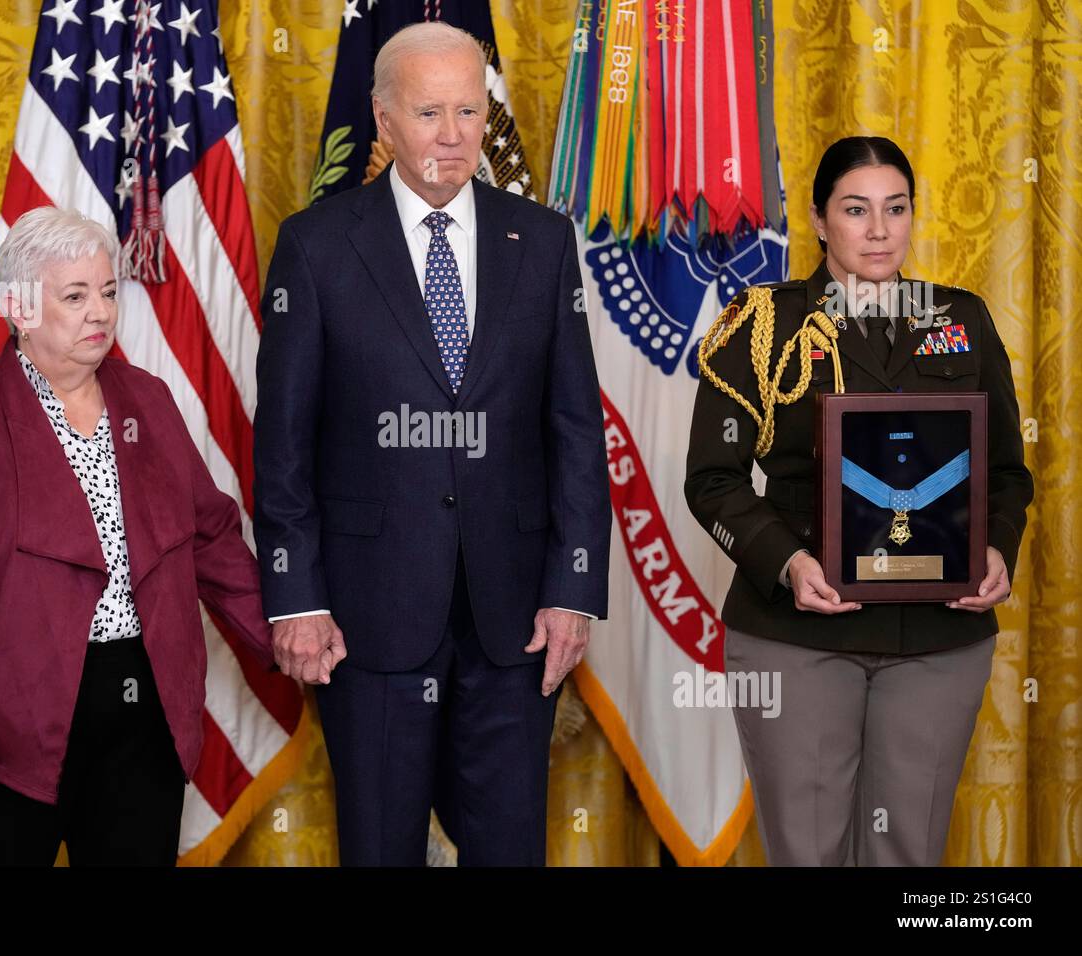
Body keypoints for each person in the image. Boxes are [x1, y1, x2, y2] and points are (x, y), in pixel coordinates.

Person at [252, 21, 611, 866]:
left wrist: (575, 588)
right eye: (427, 114)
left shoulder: (545, 240)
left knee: (511, 848)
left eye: (467, 111)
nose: (452, 137)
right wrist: (295, 598)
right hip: (366, 616)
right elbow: (284, 444)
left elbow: (574, 430)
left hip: (514, 616)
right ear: (381, 120)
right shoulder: (316, 245)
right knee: (379, 848)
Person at [683, 136, 1033, 865]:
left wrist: (996, 547)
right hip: (797, 637)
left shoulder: (960, 320)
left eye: (895, 208)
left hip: (937, 639)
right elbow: (711, 479)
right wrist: (788, 563)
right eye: (855, 209)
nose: (879, 230)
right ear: (817, 219)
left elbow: (1006, 472)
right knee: (809, 854)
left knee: (909, 854)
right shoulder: (765, 324)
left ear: (912, 216)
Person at [0, 205, 274, 865]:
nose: (101, 312)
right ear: (19, 309)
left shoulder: (148, 400)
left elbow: (209, 538)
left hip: (142, 705)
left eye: (107, 292)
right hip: (7, 718)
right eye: (75, 296)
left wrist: (286, 633)